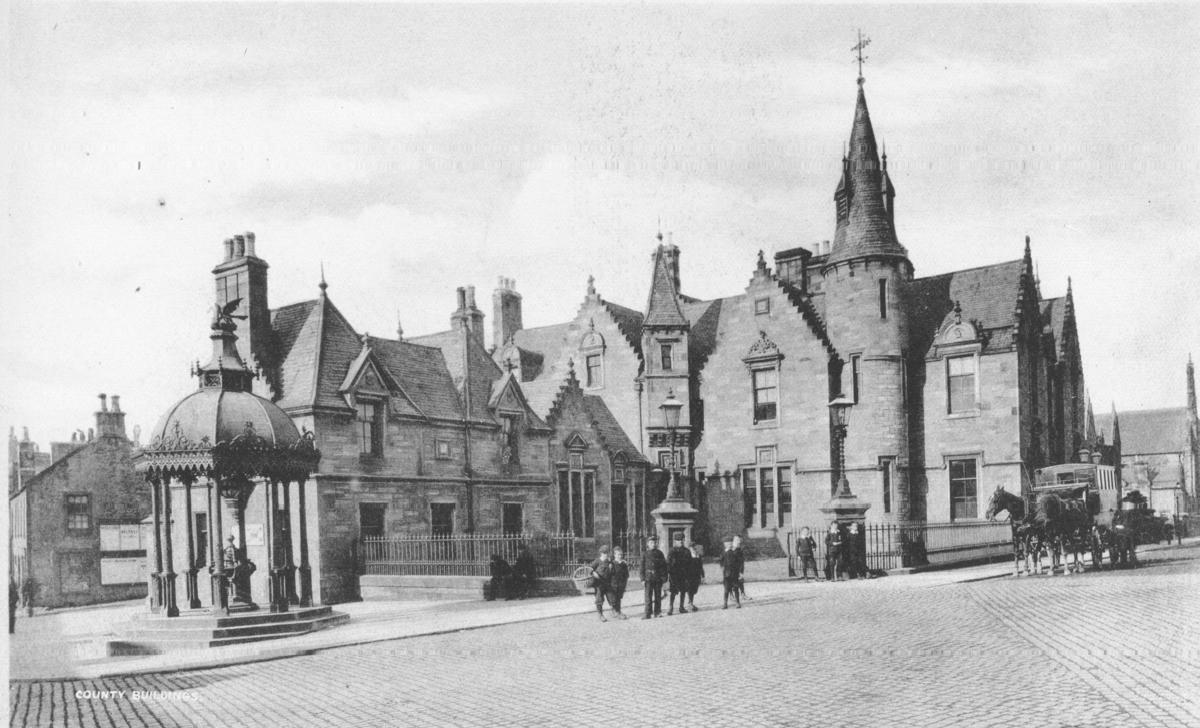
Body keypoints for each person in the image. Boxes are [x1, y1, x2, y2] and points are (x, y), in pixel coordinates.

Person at [640, 535, 668, 619]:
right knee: (648, 597)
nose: (653, 544)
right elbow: (642, 567)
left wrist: (664, 577)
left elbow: (664, 566)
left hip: (657, 577)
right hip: (648, 578)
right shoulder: (644, 554)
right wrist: (642, 579)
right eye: (651, 542)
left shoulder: (659, 553)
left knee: (658, 596)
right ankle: (647, 613)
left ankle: (657, 612)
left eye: (654, 542)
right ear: (648, 544)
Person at [666, 532, 693, 615]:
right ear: (675, 541)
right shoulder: (672, 551)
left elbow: (690, 563)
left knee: (683, 591)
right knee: (673, 591)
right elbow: (668, 563)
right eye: (678, 540)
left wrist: (689, 574)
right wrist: (669, 573)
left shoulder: (687, 551)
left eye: (681, 540)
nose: (680, 542)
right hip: (674, 574)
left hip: (684, 574)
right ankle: (671, 607)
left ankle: (681, 607)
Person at [589, 546, 614, 622]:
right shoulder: (597, 561)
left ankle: (615, 612)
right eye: (604, 553)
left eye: (607, 553)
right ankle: (600, 614)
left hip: (607, 583)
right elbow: (590, 569)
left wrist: (611, 567)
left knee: (611, 598)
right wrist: (594, 573)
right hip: (599, 583)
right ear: (601, 553)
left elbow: (612, 572)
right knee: (599, 599)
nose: (606, 554)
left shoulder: (609, 561)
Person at [608, 547, 631, 619]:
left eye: (621, 555)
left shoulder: (624, 564)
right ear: (614, 555)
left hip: (621, 584)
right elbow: (610, 575)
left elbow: (626, 575)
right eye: (618, 555)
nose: (620, 556)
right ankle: (615, 612)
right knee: (614, 599)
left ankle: (618, 611)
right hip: (613, 584)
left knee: (619, 598)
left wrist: (624, 584)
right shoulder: (612, 564)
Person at [720, 537, 743, 609]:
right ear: (725, 545)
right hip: (727, 574)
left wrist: (739, 572)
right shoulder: (724, 553)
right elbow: (721, 561)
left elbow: (739, 562)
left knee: (736, 588)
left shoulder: (734, 552)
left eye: (730, 543)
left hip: (734, 573)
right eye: (727, 543)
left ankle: (737, 602)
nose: (729, 545)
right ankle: (725, 603)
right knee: (726, 589)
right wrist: (722, 568)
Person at [685, 542, 705, 610]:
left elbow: (701, 566)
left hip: (697, 575)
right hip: (689, 575)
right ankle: (690, 603)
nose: (693, 548)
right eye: (691, 547)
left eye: (694, 547)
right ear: (689, 548)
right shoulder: (687, 556)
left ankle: (691, 603)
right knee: (690, 589)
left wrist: (703, 576)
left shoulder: (698, 556)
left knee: (694, 589)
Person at [732, 535, 751, 600]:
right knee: (731, 583)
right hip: (731, 569)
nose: (739, 542)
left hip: (738, 569)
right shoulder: (730, 550)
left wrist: (741, 571)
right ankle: (731, 596)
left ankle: (743, 595)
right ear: (733, 541)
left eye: (740, 540)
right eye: (737, 540)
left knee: (740, 581)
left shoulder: (740, 550)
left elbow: (741, 562)